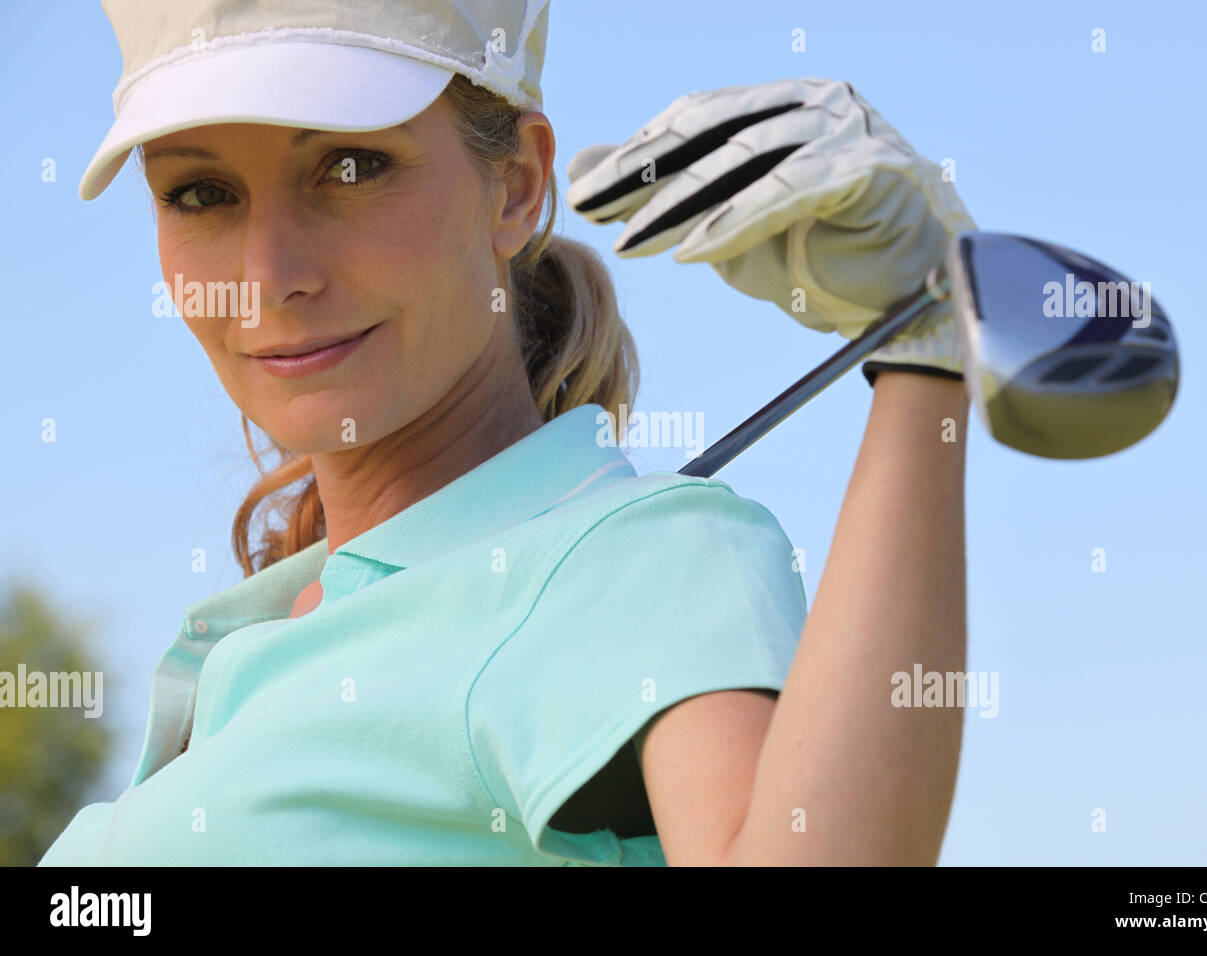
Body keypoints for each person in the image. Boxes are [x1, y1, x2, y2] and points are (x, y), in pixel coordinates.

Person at [39, 0, 974, 866]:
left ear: (517, 187)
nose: (269, 275)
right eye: (201, 192)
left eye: (350, 167)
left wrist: (925, 353)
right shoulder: (259, 627)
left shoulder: (629, 561)